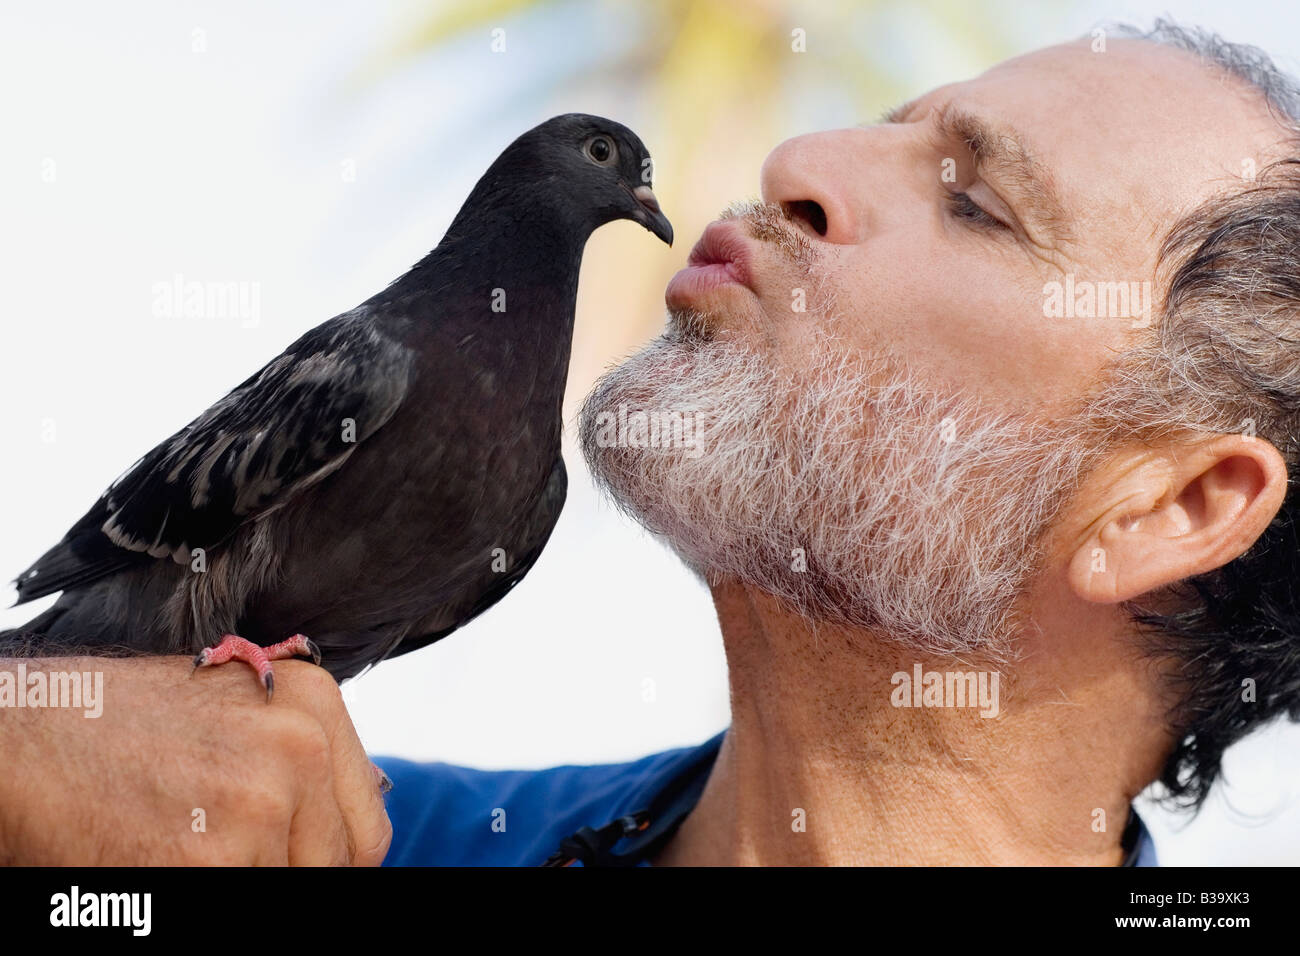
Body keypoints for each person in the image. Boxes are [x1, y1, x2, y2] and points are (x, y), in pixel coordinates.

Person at [3, 19, 1298, 865]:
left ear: (1171, 508)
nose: (797, 157)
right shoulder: (318, 843)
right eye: (881, 127)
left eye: (973, 202)